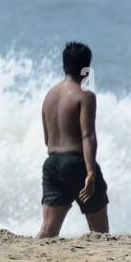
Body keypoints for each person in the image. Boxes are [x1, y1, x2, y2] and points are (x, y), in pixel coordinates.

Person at [39, 41, 109, 237]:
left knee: (48, 230)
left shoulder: (49, 96)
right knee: (100, 232)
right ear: (86, 69)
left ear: (64, 66)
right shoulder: (85, 96)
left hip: (52, 164)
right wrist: (90, 173)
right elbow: (88, 135)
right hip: (77, 164)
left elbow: (47, 139)